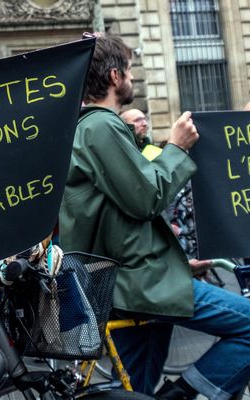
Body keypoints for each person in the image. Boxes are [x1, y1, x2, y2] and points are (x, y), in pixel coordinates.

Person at [59, 34, 250, 399]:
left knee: (136, 389)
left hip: (131, 281)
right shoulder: (100, 125)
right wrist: (176, 147)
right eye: (130, 70)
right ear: (115, 76)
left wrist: (178, 264)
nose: (133, 78)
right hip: (138, 285)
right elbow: (145, 198)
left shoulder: (91, 126)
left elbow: (122, 217)